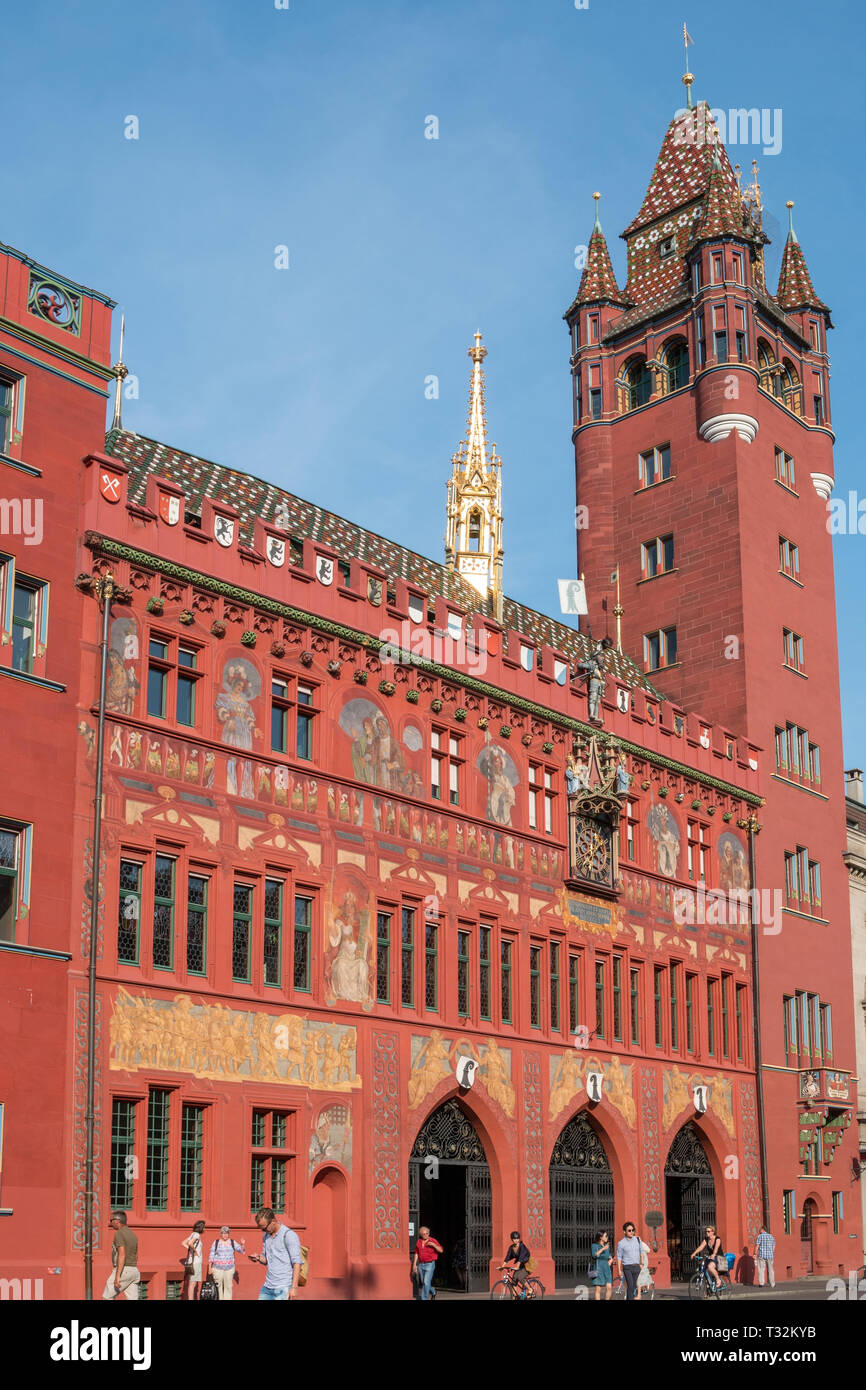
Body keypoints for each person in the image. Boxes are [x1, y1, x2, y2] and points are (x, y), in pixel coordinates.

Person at [250, 1206, 303, 1300]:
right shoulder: (266, 1236)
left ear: (273, 1221)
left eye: (265, 1228)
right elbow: (266, 1260)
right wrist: (258, 1257)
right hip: (267, 1286)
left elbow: (297, 1263)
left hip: (283, 1287)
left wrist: (294, 1287)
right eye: (261, 1229)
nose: (263, 1231)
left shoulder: (289, 1235)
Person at [102, 1210, 140, 1300]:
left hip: (123, 1270)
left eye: (111, 1220)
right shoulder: (133, 1234)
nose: (110, 1223)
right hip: (134, 1270)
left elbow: (122, 1254)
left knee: (107, 1297)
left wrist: (117, 1276)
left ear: (117, 1221)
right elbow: (136, 1254)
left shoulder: (119, 1233)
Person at [208, 1225, 246, 1300]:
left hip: (229, 1269)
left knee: (228, 1286)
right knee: (218, 1286)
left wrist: (242, 1244)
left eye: (227, 1233)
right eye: (223, 1233)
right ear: (220, 1234)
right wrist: (210, 1268)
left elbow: (241, 1250)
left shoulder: (232, 1242)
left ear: (229, 1234)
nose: (225, 1235)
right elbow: (211, 1255)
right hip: (217, 1268)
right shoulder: (216, 1242)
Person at [411, 1226, 443, 1301]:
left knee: (426, 1282)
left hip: (430, 1264)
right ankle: (433, 1291)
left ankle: (424, 1298)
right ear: (420, 1235)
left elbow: (441, 1250)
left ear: (428, 1233)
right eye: (423, 1234)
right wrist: (414, 1265)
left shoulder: (433, 1240)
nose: (425, 1235)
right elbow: (416, 1253)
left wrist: (433, 1245)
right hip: (421, 1264)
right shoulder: (419, 1241)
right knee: (424, 1282)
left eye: (426, 1233)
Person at [691, 1225, 724, 1291]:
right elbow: (701, 1247)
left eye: (708, 1231)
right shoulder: (706, 1239)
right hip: (711, 1257)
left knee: (710, 1266)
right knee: (704, 1269)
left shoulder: (717, 1239)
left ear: (713, 1232)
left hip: (719, 1257)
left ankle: (718, 1280)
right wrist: (694, 1253)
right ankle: (708, 1288)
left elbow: (716, 1248)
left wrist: (714, 1254)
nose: (707, 1233)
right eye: (706, 1231)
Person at [616, 1221, 643, 1301]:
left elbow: (641, 1252)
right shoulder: (621, 1243)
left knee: (634, 1287)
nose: (632, 1232)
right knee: (630, 1286)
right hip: (627, 1267)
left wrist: (641, 1263)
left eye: (633, 1230)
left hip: (637, 1266)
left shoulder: (638, 1240)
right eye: (629, 1230)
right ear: (624, 1231)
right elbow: (619, 1257)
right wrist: (619, 1270)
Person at [181, 1220, 206, 1300]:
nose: (205, 1229)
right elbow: (190, 1243)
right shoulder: (197, 1235)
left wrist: (191, 1250)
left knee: (191, 1283)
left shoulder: (192, 1234)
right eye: (204, 1227)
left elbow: (183, 1243)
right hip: (196, 1262)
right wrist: (195, 1251)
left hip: (191, 1262)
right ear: (201, 1228)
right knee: (193, 1284)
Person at [590, 1229, 613, 1301]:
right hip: (598, 1267)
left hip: (606, 1268)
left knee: (609, 1287)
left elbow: (608, 1255)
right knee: (598, 1289)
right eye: (606, 1236)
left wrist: (611, 1259)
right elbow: (594, 1255)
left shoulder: (606, 1245)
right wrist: (603, 1249)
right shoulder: (594, 1245)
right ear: (600, 1237)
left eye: (607, 1236)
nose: (607, 1237)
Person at [636, 1233, 653, 1300]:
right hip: (638, 1261)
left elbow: (648, 1250)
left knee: (640, 1276)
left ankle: (639, 1293)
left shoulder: (641, 1244)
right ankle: (641, 1289)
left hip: (643, 1261)